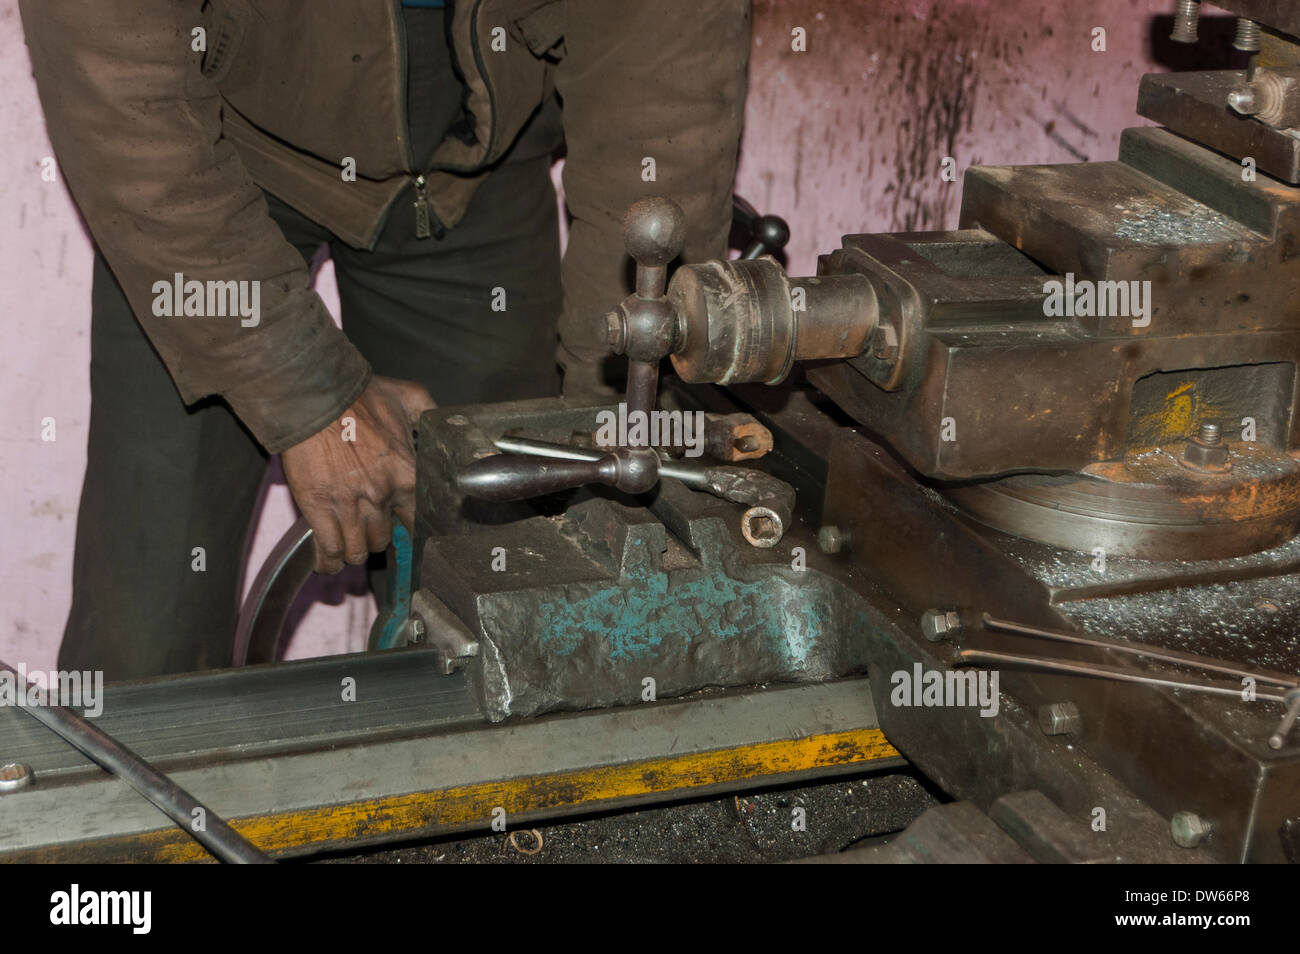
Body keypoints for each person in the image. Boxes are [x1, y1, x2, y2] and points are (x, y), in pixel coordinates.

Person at [19, 0, 751, 679]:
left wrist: (607, 441)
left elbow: (667, 89)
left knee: (512, 600)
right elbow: (112, 62)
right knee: (144, 650)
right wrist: (308, 394)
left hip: (477, 153)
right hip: (211, 141)